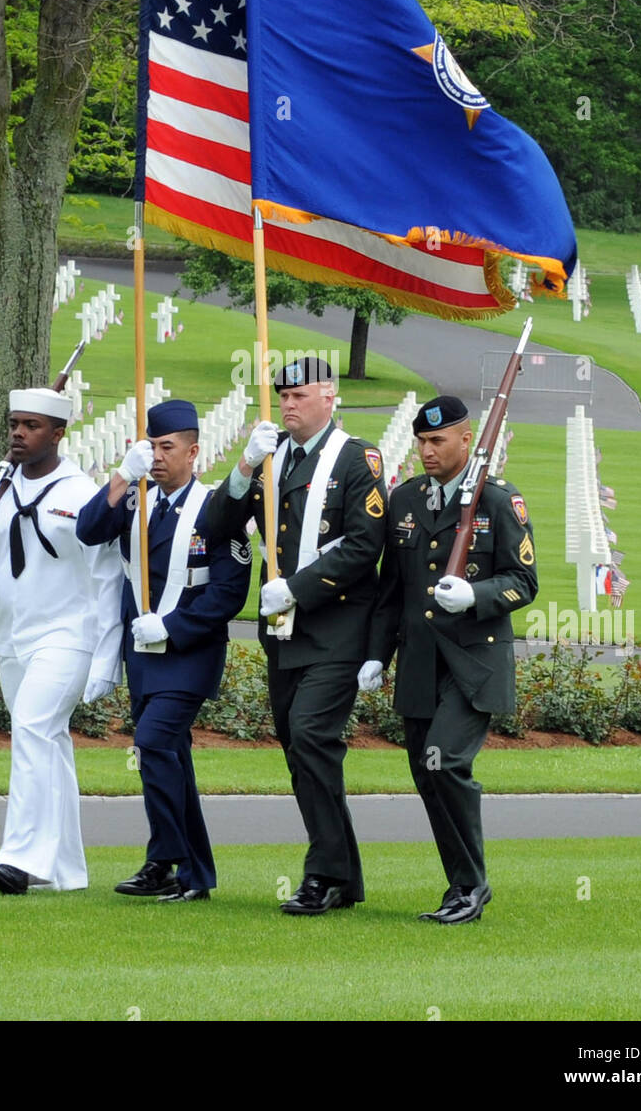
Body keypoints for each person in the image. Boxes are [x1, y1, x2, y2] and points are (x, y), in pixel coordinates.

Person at [0, 388, 123, 894]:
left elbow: (106, 579)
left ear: (58, 434)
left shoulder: (81, 494)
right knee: (48, 744)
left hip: (68, 636)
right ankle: (65, 871)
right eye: (15, 423)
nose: (18, 432)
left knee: (33, 729)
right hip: (13, 637)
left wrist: (107, 654)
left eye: (32, 425)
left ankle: (19, 860)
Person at [207, 358, 387, 915]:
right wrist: (244, 466)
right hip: (282, 634)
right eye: (282, 396)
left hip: (336, 626)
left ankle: (323, 873)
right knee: (299, 748)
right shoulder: (271, 459)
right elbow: (215, 527)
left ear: (329, 396)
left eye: (300, 395)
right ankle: (344, 877)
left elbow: (365, 543)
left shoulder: (357, 459)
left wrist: (299, 589)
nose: (288, 405)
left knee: (311, 736)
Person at [361, 395, 537, 925]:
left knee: (445, 759)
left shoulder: (499, 501)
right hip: (419, 662)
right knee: (426, 772)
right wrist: (377, 655)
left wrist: (477, 597)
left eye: (437, 441)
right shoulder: (407, 499)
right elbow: (391, 588)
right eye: (421, 441)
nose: (426, 450)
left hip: (472, 664)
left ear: (467, 440)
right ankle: (460, 885)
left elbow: (524, 581)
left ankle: (471, 885)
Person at [76, 399, 251, 903]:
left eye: (166, 447)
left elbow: (228, 591)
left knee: (152, 741)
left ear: (194, 452)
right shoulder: (136, 499)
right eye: (151, 446)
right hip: (143, 656)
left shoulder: (216, 509)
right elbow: (88, 531)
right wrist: (118, 480)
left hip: (189, 653)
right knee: (171, 754)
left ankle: (162, 859)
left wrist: (172, 628)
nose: (156, 456)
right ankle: (195, 875)